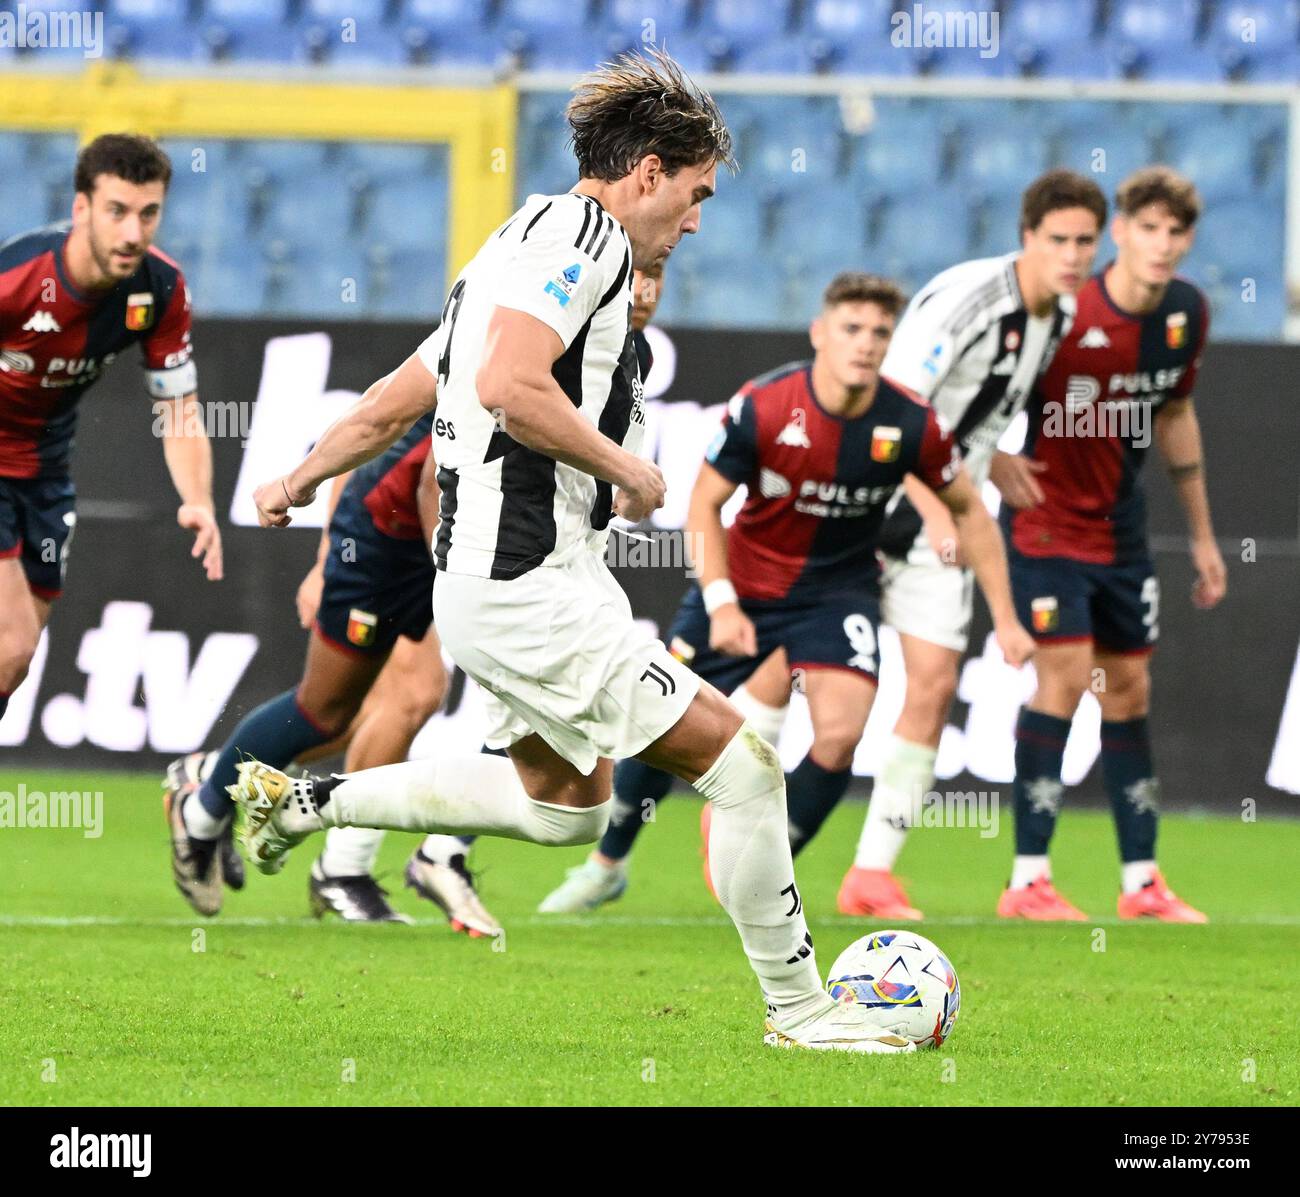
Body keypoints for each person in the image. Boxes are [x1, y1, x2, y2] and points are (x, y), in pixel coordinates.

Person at [231, 50, 928, 1052]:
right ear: (646, 172)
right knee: (744, 768)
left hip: (511, 581)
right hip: (526, 586)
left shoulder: (509, 249)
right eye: (691, 195)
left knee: (567, 811)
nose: (694, 220)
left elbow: (396, 399)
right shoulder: (584, 235)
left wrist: (296, 479)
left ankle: (307, 800)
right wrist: (628, 470)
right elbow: (513, 386)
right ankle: (800, 1010)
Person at [539, 269, 1037, 913]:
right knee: (660, 724)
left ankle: (764, 874)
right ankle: (607, 864)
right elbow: (705, 505)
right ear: (820, 334)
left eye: (880, 333)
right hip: (744, 587)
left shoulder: (909, 421)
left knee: (840, 733)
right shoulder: (767, 404)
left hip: (839, 594)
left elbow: (968, 508)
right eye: (852, 329)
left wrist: (1006, 616)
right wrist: (720, 602)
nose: (866, 344)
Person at [834, 169, 1107, 920]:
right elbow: (893, 405)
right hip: (869, 500)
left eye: (1086, 241)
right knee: (783, 675)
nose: (1074, 255)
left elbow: (973, 413)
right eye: (1060, 239)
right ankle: (699, 821)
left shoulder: (1054, 317)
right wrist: (940, 504)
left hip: (943, 510)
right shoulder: (970, 299)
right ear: (1027, 237)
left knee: (931, 681)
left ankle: (870, 873)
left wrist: (992, 461)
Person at [164, 410, 498, 934]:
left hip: (444, 545)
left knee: (400, 697)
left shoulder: (596, 358)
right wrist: (327, 560)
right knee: (334, 711)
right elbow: (375, 425)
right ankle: (217, 817)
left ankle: (216, 779)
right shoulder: (500, 344)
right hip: (390, 542)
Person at [995, 165, 1224, 922]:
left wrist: (1202, 536)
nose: (1162, 245)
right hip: (1045, 523)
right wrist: (992, 460)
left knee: (1128, 690)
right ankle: (1028, 879)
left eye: (1176, 232)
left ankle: (1141, 885)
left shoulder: (1187, 312)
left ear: (1188, 240)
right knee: (1063, 677)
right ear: (1120, 232)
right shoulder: (1062, 312)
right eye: (1148, 228)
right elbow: (981, 397)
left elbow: (1177, 414)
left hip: (1122, 531)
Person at [0, 133, 221, 733]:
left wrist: (197, 501)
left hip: (45, 477)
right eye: (117, 211)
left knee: (12, 667)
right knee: (11, 645)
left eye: (148, 214)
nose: (133, 233)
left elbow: (179, 412)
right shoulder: (15, 278)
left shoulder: (159, 291)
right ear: (81, 209)